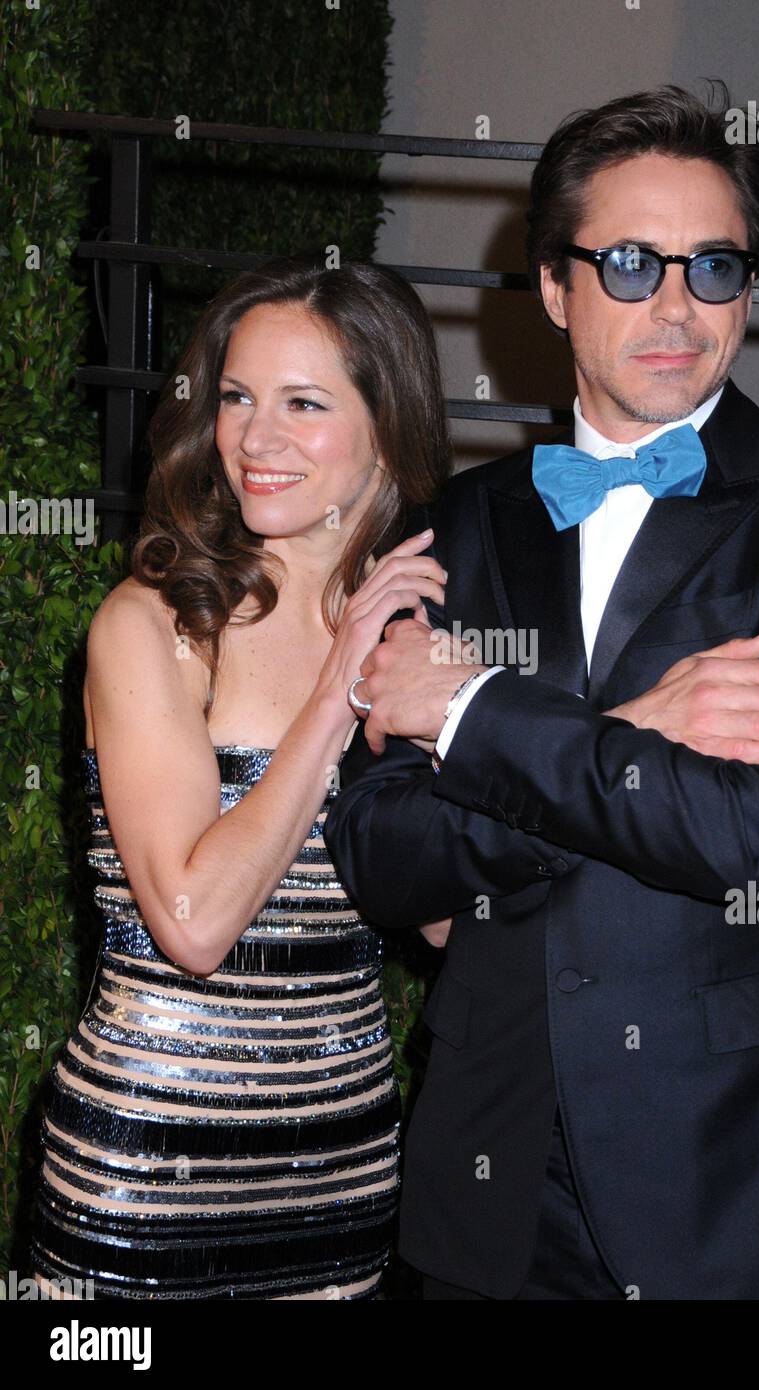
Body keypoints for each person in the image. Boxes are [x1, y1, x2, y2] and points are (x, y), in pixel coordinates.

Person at [323, 84, 759, 1300]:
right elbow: (384, 854)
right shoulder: (454, 527)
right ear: (554, 287)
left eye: (714, 266)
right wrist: (640, 731)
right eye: (633, 263)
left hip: (741, 1180)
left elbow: (737, 831)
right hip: (492, 1181)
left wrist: (472, 713)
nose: (677, 307)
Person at [29, 255, 450, 1299]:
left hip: (342, 1169)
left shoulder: (426, 637)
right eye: (236, 398)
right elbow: (194, 923)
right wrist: (335, 698)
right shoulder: (153, 624)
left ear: (386, 431)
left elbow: (446, 927)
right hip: (144, 1171)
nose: (255, 439)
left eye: (303, 404)